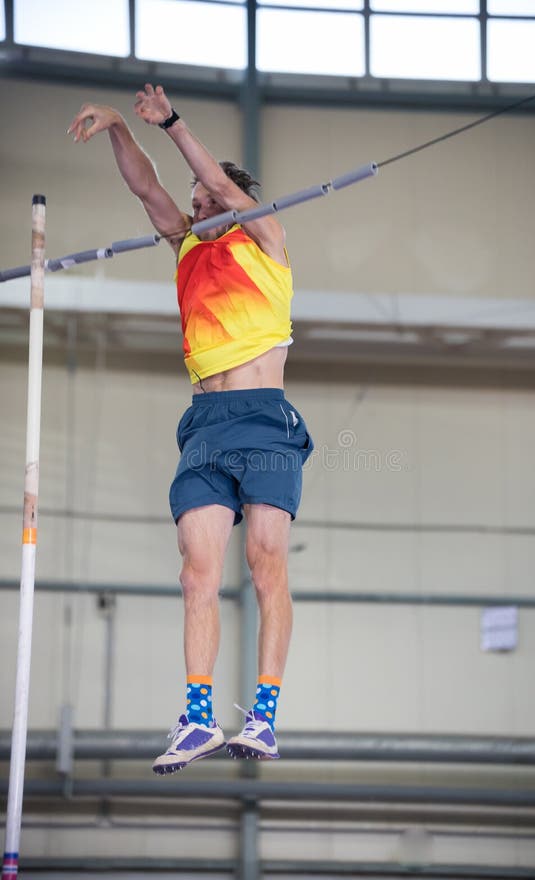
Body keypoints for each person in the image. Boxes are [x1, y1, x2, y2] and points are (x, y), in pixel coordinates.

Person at [68, 84, 313, 771]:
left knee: (266, 563)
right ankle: (198, 715)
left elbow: (213, 179)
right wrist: (120, 125)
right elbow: (148, 189)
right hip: (205, 424)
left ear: (237, 207)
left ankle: (263, 715)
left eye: (209, 202)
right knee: (195, 575)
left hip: (265, 422)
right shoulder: (185, 247)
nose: (198, 207)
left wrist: (174, 122)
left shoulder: (267, 240)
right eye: (196, 204)